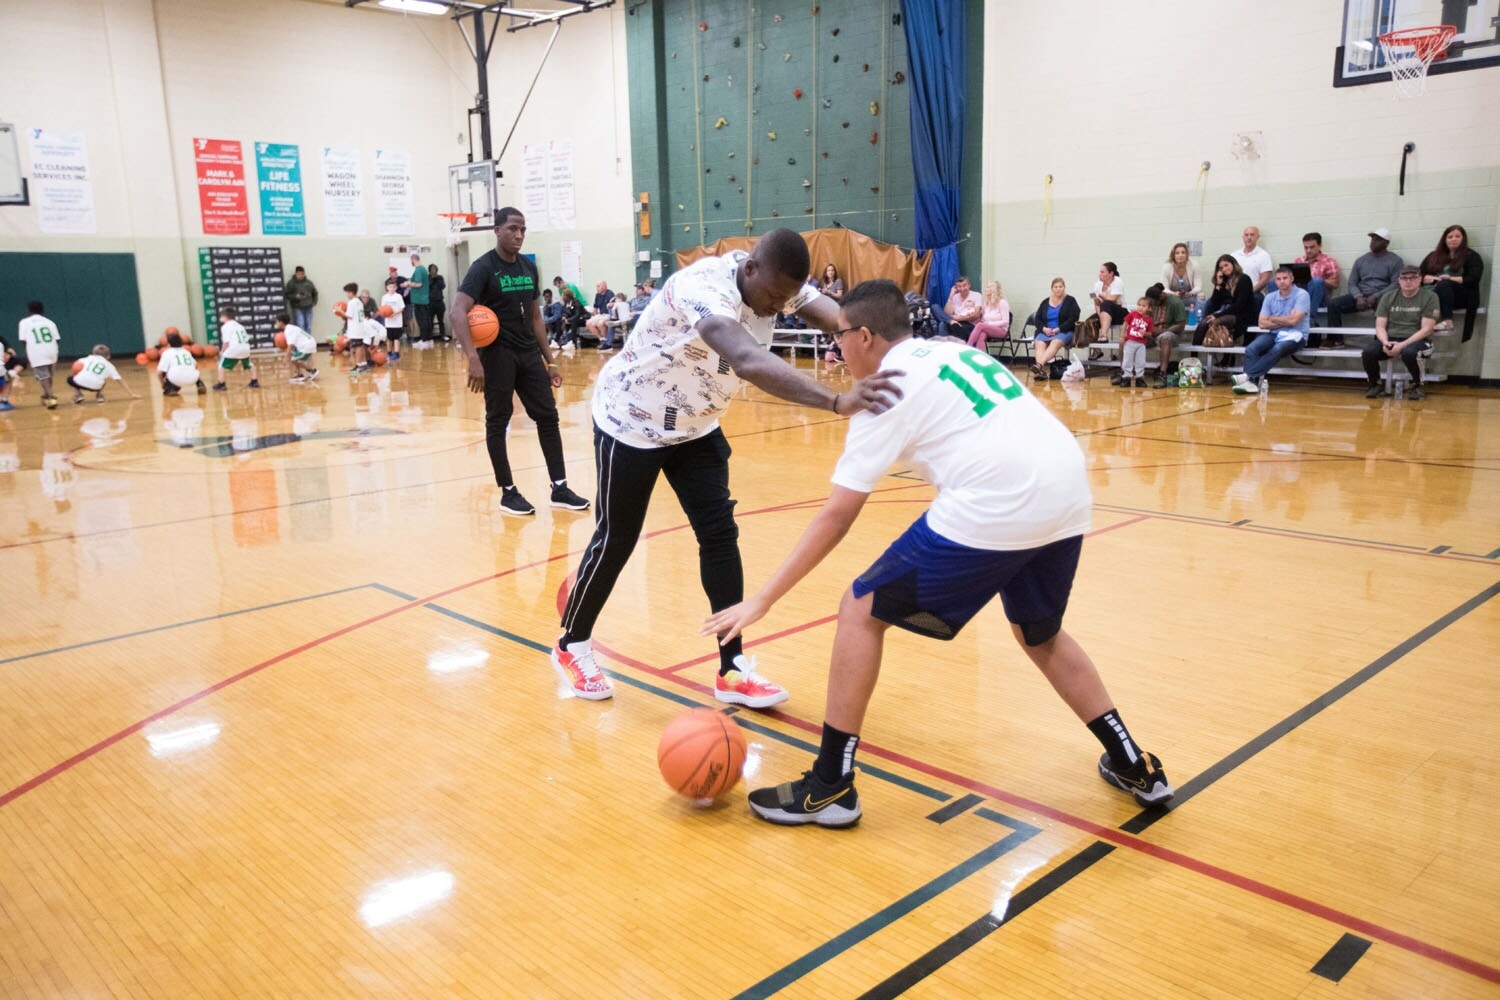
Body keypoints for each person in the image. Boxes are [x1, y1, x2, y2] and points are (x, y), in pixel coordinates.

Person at [700, 279, 1173, 827]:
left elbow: (837, 515)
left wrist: (760, 600)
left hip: (1001, 498)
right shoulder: (949, 349)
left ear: (867, 336)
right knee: (1039, 632)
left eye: (841, 335)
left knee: (859, 609)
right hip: (1066, 488)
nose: (837, 346)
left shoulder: (882, 388)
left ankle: (831, 785)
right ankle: (1133, 763)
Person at [550, 228, 903, 706]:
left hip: (696, 425)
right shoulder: (704, 290)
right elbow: (747, 358)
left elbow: (836, 318)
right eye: (774, 297)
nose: (779, 308)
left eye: (787, 299)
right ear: (750, 270)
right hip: (631, 419)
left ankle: (731, 667)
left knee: (719, 535)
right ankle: (572, 644)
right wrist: (836, 400)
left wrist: (900, 352)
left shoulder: (774, 281)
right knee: (617, 537)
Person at [451, 207, 590, 517]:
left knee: (548, 416)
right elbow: (457, 311)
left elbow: (537, 316)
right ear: (497, 230)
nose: (518, 235)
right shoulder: (483, 268)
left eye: (523, 230)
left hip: (528, 353)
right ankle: (508, 492)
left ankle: (560, 487)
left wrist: (550, 361)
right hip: (497, 355)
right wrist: (472, 358)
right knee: (498, 422)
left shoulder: (528, 267)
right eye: (513, 228)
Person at [1363, 265, 1439, 400]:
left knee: (1410, 353)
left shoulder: (1430, 297)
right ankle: (1375, 384)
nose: (1408, 281)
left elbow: (1426, 329)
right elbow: (1380, 326)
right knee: (1368, 352)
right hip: (1391, 337)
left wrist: (1402, 345)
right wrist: (1385, 342)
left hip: (1418, 340)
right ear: (1399, 280)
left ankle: (1417, 385)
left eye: (1412, 278)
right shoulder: (1388, 297)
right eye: (1404, 278)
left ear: (1419, 279)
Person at [1232, 266, 1310, 394]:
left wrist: (1273, 318)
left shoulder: (1302, 295)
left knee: (1277, 348)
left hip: (1296, 335)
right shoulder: (1270, 297)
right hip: (1274, 334)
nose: (1282, 281)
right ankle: (1252, 383)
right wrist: (1286, 319)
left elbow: (1294, 321)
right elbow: (1262, 323)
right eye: (1278, 279)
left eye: (1285, 278)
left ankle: (1248, 377)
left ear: (1292, 279)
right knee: (1251, 348)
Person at [1326, 228, 1403, 332]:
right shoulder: (1361, 260)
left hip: (1381, 295)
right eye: (1372, 239)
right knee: (1333, 304)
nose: (1373, 242)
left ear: (1386, 243)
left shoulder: (1395, 260)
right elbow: (1352, 282)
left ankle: (1380, 341)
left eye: (1377, 240)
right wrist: (1358, 297)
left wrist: (1375, 296)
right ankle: (1335, 340)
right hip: (1361, 295)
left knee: (1383, 305)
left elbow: (1395, 284)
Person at [1419, 224, 1485, 339]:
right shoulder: (1434, 255)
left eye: (1457, 236)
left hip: (1461, 295)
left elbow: (1473, 279)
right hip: (1435, 292)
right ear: (1444, 239)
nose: (1453, 239)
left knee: (1444, 284)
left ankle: (1447, 321)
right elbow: (1419, 273)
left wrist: (1449, 278)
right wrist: (1426, 278)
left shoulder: (1471, 256)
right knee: (1412, 288)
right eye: (1450, 237)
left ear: (1463, 239)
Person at [1198, 255, 1257, 345]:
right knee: (1203, 323)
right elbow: (1214, 303)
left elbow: (1239, 305)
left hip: (1241, 315)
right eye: (1221, 268)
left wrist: (1217, 315)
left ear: (1233, 264)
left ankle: (1227, 357)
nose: (1224, 269)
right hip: (1225, 313)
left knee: (1215, 322)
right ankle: (1193, 355)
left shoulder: (1244, 279)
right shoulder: (1224, 282)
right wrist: (1218, 285)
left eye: (1226, 265)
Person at [1030, 278, 1079, 379]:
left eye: (1060, 287)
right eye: (1056, 287)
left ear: (1064, 288)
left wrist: (1059, 329)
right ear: (1052, 288)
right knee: (1039, 344)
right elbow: (1037, 319)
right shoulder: (1045, 302)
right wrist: (1044, 329)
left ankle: (1039, 365)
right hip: (1046, 331)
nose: (1058, 289)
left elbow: (1073, 318)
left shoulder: (1070, 300)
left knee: (1055, 343)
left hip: (1063, 330)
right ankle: (1041, 372)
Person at [18, 300, 61, 409]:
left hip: (36, 351)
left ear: (29, 310)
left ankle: (51, 397)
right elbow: (57, 339)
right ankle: (47, 395)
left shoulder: (24, 322)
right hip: (51, 350)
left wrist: (29, 354)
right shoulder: (49, 322)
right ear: (42, 310)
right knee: (48, 374)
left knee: (43, 375)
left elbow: (23, 340)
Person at [1144, 283, 1187, 387]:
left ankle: (1162, 374)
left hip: (1171, 332)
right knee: (1128, 339)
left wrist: (1163, 331)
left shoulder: (1175, 302)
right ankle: (1126, 373)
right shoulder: (1151, 303)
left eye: (1155, 303)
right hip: (1153, 332)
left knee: (1165, 338)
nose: (1153, 306)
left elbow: (1180, 325)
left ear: (1161, 296)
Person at [1292, 232, 1341, 321]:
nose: (1308, 250)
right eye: (1306, 247)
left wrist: (1317, 280)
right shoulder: (1299, 261)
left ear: (1319, 246)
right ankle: (1278, 314)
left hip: (1320, 297)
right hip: (1301, 294)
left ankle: (1309, 318)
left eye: (1312, 247)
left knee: (1316, 281)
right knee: (1275, 280)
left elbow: (1335, 284)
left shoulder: (1329, 261)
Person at [68, 345, 139, 404]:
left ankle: (79, 395)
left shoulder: (84, 359)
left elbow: (75, 366)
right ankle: (99, 397)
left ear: (93, 353)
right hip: (96, 387)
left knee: (71, 377)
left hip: (79, 382)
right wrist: (132, 394)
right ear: (108, 356)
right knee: (102, 380)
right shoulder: (110, 366)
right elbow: (120, 380)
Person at [212, 306, 259, 390]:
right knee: (250, 364)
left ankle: (221, 383)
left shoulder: (225, 326)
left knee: (221, 365)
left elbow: (226, 342)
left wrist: (222, 352)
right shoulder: (240, 326)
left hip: (234, 347)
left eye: (221, 316)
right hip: (246, 347)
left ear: (224, 316)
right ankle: (254, 381)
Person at [1119, 297, 1154, 388]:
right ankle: (1126, 377)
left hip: (1141, 344)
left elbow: (1150, 333)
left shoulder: (1149, 319)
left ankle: (1139, 378)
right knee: (1127, 360)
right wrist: (1122, 336)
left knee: (1140, 361)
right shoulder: (1132, 314)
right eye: (1139, 305)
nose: (1140, 308)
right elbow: (1125, 325)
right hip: (1130, 342)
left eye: (1144, 306)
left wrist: (1145, 333)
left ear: (1149, 308)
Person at [965, 280, 1011, 349]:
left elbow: (1006, 321)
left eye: (988, 287)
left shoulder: (1002, 303)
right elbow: (984, 320)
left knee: (980, 326)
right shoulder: (987, 303)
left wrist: (988, 324)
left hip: (1002, 330)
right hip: (988, 328)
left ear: (994, 289)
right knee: (982, 334)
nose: (985, 289)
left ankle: (967, 347)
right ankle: (979, 356)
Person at [1231, 226, 1274, 297]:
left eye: (1252, 235)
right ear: (1243, 237)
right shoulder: (1234, 255)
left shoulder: (1264, 255)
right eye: (1246, 235)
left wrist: (1249, 292)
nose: (1249, 237)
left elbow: (1265, 279)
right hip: (1236, 292)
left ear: (1258, 237)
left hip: (1255, 293)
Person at [275, 313, 319, 382]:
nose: (276, 323)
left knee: (293, 359)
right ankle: (299, 375)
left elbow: (290, 345)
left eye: (277, 321)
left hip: (307, 345)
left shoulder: (288, 331)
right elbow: (292, 347)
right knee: (294, 356)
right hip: (308, 343)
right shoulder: (290, 327)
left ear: (281, 322)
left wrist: (286, 357)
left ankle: (312, 371)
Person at [1089, 262, 1126, 341]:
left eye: (1102, 272)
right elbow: (1097, 305)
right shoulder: (1097, 284)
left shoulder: (1117, 281)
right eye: (1100, 272)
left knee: (1106, 304)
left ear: (1111, 273)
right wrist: (1100, 316)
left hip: (1120, 313)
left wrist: (1102, 295)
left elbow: (1113, 299)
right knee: (1089, 322)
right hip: (1104, 313)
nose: (1100, 274)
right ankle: (1097, 351)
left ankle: (1104, 335)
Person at [1160, 243, 1201, 308]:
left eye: (1183, 252)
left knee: (1201, 300)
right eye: (1177, 253)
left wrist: (1189, 293)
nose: (1180, 255)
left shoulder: (1194, 265)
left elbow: (1198, 287)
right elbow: (1164, 288)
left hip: (1189, 297)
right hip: (1172, 297)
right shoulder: (1167, 267)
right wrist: (1174, 294)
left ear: (1187, 255)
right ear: (1173, 255)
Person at [284, 266, 318, 336]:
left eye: (302, 274)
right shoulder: (291, 283)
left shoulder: (309, 283)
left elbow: (315, 293)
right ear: (296, 274)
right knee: (300, 326)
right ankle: (301, 343)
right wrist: (295, 297)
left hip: (309, 307)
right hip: (297, 307)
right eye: (299, 274)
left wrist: (314, 302)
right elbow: (286, 294)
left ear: (304, 274)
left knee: (308, 327)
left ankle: (307, 343)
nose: (300, 276)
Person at [406, 253, 431, 343]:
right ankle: (427, 339)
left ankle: (424, 340)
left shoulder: (419, 270)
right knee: (425, 320)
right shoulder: (423, 269)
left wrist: (408, 283)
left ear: (413, 260)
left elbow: (419, 284)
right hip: (423, 299)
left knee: (422, 320)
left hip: (420, 300)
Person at [380, 277, 405, 361]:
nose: (391, 288)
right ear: (387, 288)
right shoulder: (384, 297)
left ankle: (397, 353)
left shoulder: (398, 296)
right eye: (390, 287)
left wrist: (395, 313)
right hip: (388, 321)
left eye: (393, 287)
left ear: (396, 288)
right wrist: (386, 315)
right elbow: (383, 308)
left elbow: (402, 308)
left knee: (396, 338)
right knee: (389, 338)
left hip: (397, 321)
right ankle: (389, 352)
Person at [427, 263, 447, 341]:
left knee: (441, 320)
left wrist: (437, 279)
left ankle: (442, 335)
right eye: (432, 269)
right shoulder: (427, 278)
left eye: (435, 269)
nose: (433, 271)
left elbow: (442, 286)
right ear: (429, 271)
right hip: (430, 302)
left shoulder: (440, 277)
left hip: (439, 302)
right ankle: (430, 336)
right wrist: (432, 279)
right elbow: (427, 287)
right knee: (430, 320)